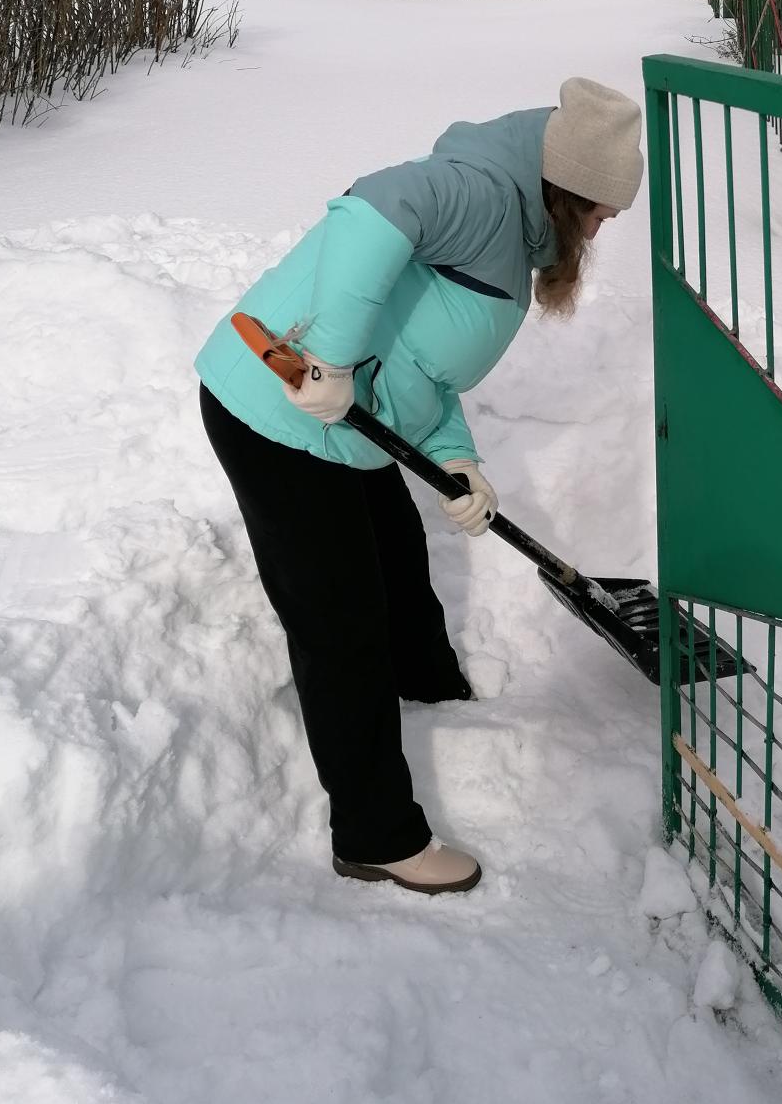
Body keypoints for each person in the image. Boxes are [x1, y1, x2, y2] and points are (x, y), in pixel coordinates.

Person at [194, 78, 644, 895]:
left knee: (397, 559)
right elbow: (369, 209)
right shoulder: (477, 192)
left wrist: (455, 456)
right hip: (276, 406)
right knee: (341, 620)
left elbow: (422, 366)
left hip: (336, 420)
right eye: (604, 209)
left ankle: (432, 692)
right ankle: (375, 833)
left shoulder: (513, 230)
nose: (607, 224)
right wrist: (328, 354)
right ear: (569, 191)